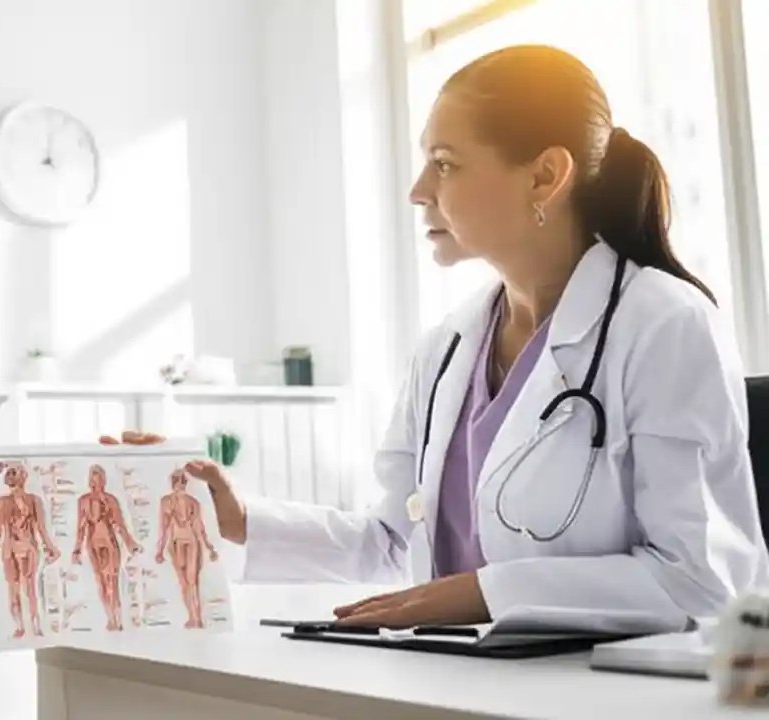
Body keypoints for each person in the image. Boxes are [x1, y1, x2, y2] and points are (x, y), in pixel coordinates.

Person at [107, 44, 769, 629]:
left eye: (445, 164)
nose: (418, 191)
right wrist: (236, 516)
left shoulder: (664, 324)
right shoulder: (448, 347)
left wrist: (487, 593)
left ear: (544, 176)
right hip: (453, 681)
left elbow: (702, 581)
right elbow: (394, 546)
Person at [0, 461, 61, 638]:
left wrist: (51, 548)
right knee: (14, 587)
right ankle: (20, 626)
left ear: (23, 475)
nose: (9, 476)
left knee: (29, 586)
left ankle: (34, 624)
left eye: (13, 472)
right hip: (10, 548)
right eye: (8, 474)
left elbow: (41, 527)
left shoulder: (34, 500)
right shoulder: (3, 502)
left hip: (28, 546)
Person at [71, 464, 141, 631]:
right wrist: (77, 549)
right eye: (93, 479)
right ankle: (110, 618)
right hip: (93, 544)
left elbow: (120, 524)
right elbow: (81, 527)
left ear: (104, 481)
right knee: (101, 582)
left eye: (99, 479)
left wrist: (130, 544)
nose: (96, 483)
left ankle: (117, 619)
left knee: (112, 582)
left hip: (109, 542)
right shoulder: (83, 501)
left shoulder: (110, 500)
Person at [155, 469, 219, 629]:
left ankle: (196, 618)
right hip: (178, 543)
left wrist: (209, 547)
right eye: (178, 482)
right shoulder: (170, 502)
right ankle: (193, 617)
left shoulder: (188, 502)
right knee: (186, 583)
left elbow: (199, 527)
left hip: (187, 541)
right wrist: (160, 549)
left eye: (182, 482)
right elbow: (164, 528)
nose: (180, 485)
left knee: (190, 582)